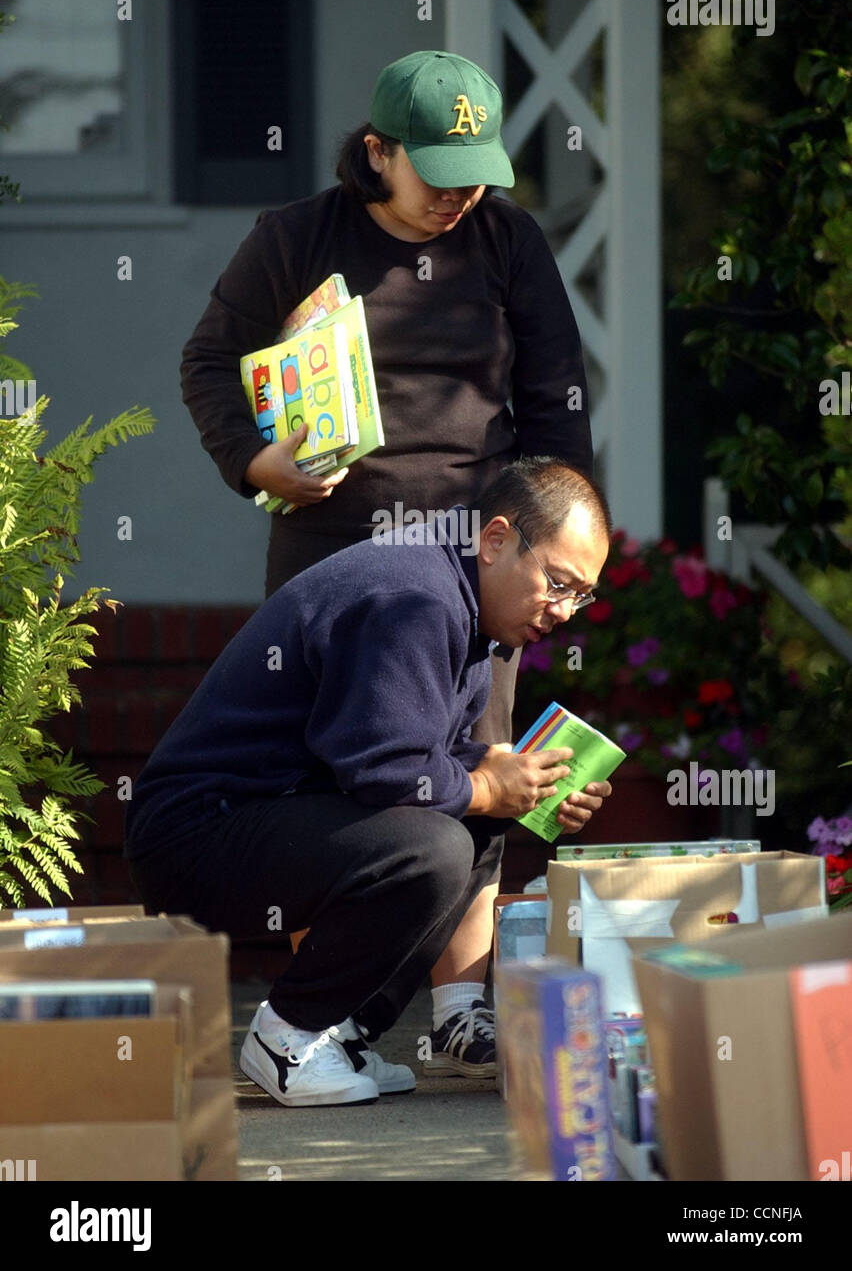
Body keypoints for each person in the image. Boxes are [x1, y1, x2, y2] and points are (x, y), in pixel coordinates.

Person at [178, 49, 594, 1069]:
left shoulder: (507, 240)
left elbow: (556, 402)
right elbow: (207, 365)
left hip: (476, 561)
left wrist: (557, 550)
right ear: (378, 154)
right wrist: (258, 460)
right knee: (337, 783)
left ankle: (461, 1008)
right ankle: (328, 1018)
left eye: (477, 169)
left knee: (478, 772)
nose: (461, 192)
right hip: (334, 554)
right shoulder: (295, 237)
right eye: (439, 170)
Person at [123, 460, 614, 1107]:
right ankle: (286, 1040)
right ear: (495, 541)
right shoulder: (416, 598)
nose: (564, 612)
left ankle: (341, 1034)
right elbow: (384, 770)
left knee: (475, 813)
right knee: (435, 844)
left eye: (581, 595)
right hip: (198, 836)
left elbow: (419, 758)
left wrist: (529, 785)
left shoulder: (457, 597)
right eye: (558, 583)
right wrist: (489, 785)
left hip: (268, 814)